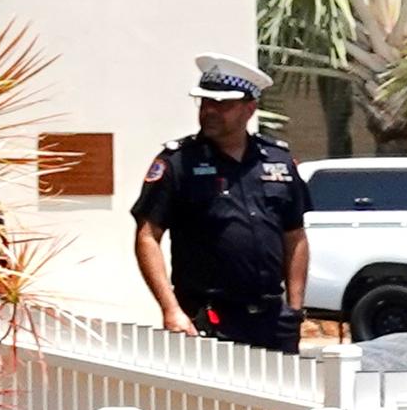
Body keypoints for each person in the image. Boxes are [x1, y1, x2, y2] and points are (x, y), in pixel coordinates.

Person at [127, 58, 308, 354]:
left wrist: (296, 307)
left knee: (281, 399)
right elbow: (147, 236)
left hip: (273, 319)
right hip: (208, 317)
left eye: (222, 105)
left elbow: (295, 236)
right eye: (204, 103)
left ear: (250, 108)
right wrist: (171, 310)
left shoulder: (278, 161)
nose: (210, 111)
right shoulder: (178, 162)